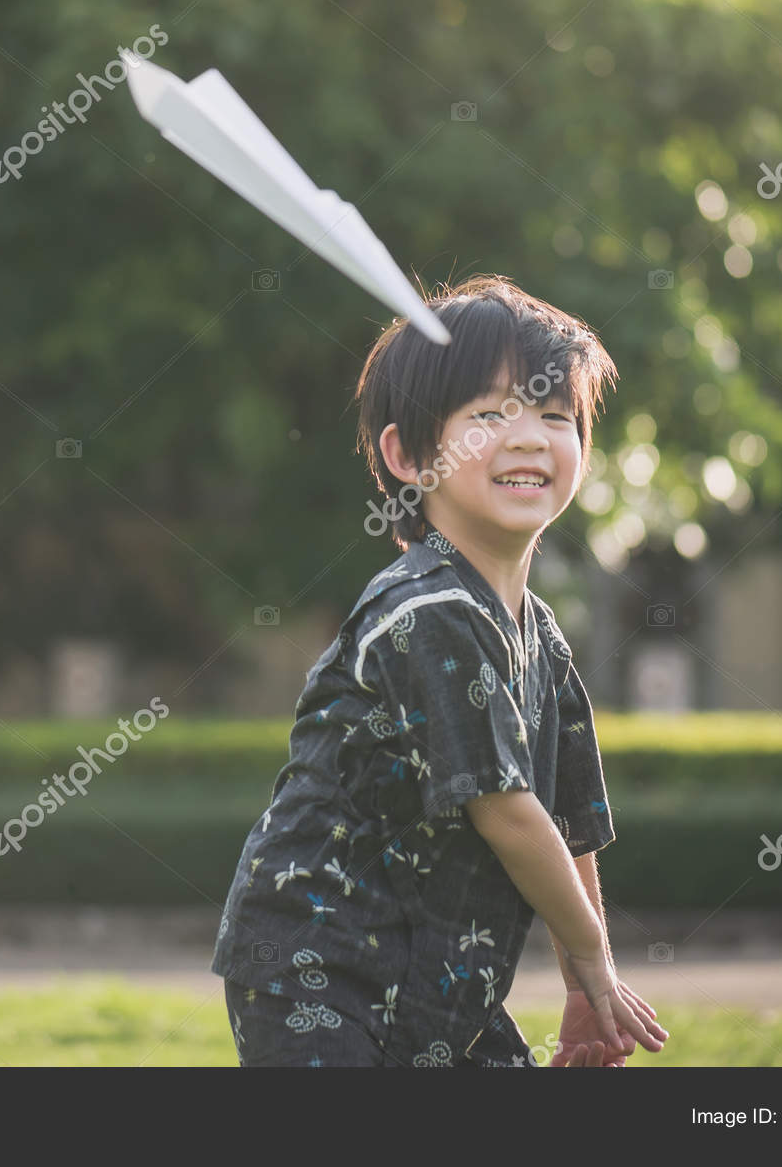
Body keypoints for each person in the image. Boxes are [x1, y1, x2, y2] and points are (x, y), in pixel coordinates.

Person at [209, 274, 670, 1067]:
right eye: (490, 415)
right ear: (408, 454)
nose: (528, 437)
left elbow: (569, 822)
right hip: (319, 970)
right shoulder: (426, 612)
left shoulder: (543, 643)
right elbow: (509, 810)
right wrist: (592, 955)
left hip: (443, 980)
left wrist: (580, 986)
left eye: (555, 416)